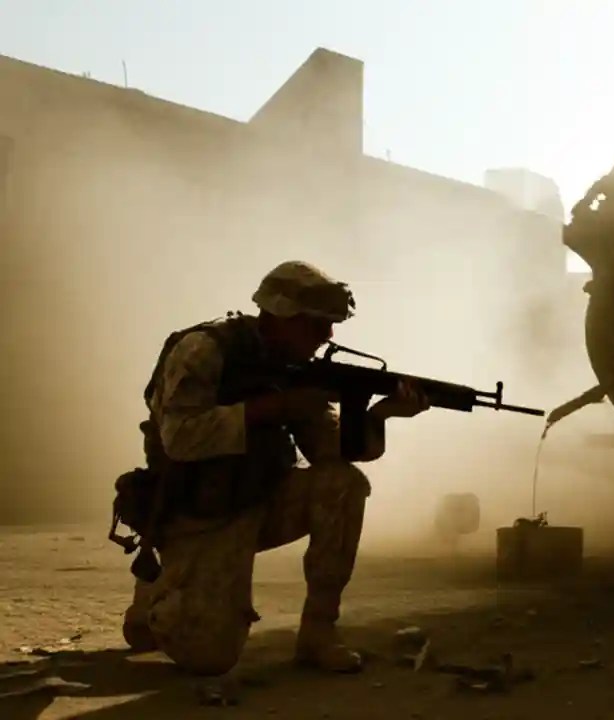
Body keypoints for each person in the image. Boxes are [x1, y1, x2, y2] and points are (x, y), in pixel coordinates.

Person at [121, 260, 432, 676]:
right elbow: (180, 439)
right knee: (209, 657)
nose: (329, 336)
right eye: (318, 324)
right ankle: (157, 592)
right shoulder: (205, 351)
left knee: (343, 484)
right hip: (200, 514)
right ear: (281, 315)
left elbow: (329, 451)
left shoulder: (295, 369)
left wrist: (380, 415)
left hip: (260, 499)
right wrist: (272, 408)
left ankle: (319, 632)